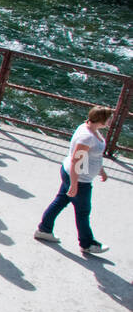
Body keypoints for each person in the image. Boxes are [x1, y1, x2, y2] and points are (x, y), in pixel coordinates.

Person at [34, 106, 112, 254]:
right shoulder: (87, 137)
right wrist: (74, 184)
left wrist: (100, 170)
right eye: (108, 118)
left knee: (60, 201)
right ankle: (87, 243)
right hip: (80, 180)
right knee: (83, 212)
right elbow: (77, 161)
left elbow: (93, 156)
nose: (110, 121)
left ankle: (44, 229)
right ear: (101, 120)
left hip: (72, 173)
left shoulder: (88, 127)